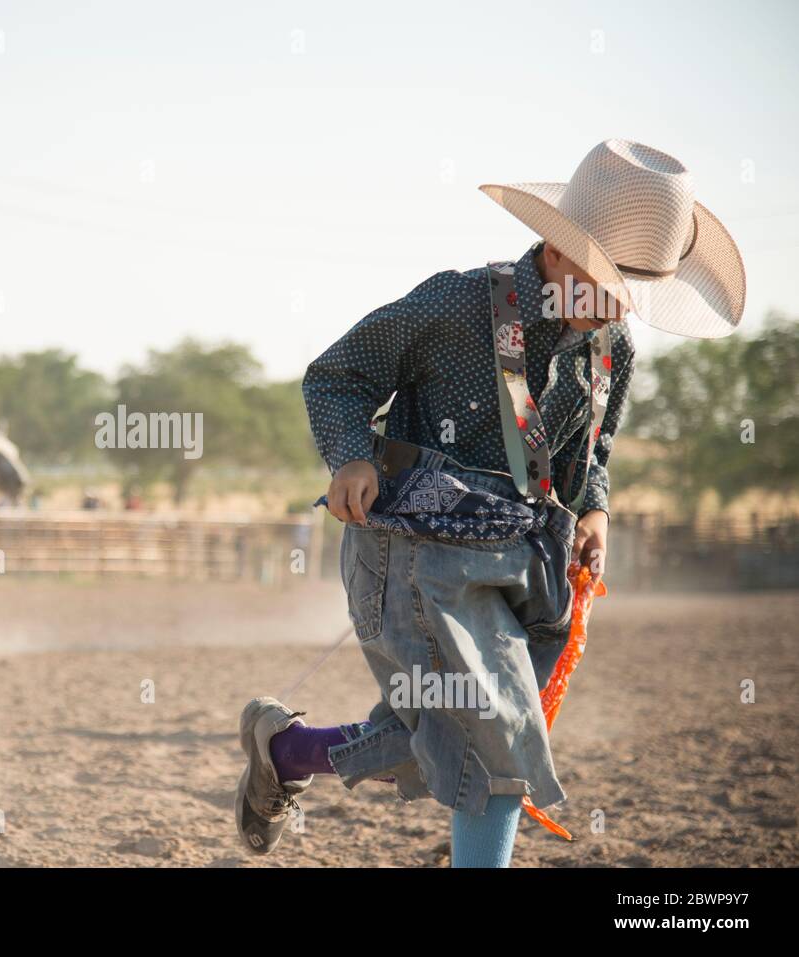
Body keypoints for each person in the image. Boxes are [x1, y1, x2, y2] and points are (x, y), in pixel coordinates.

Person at [235, 140, 746, 867]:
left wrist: (593, 512)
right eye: (610, 283)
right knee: (498, 736)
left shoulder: (611, 349)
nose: (617, 307)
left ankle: (283, 749)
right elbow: (337, 375)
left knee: (440, 738)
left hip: (522, 563)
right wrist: (351, 455)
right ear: (562, 252)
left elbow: (588, 456)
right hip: (411, 556)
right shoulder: (456, 304)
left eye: (631, 291)